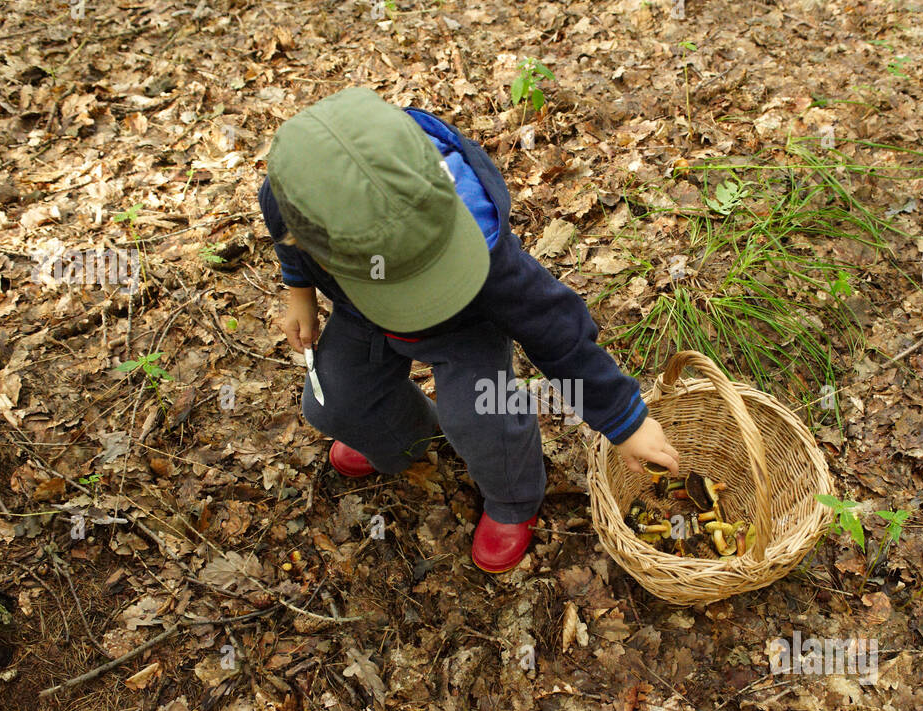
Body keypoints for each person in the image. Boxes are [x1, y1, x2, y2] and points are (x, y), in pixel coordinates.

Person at [259, 87, 678, 573]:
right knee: (333, 402)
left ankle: (514, 500)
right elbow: (288, 239)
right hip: (364, 308)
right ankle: (404, 437)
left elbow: (555, 330)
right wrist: (301, 293)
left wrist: (625, 419)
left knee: (481, 419)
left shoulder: (483, 246)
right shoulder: (291, 194)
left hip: (465, 320)